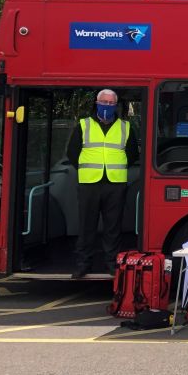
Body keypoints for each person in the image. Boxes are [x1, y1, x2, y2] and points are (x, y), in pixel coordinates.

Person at [67, 89, 139, 278]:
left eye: (110, 103)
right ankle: (83, 264)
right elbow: (72, 153)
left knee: (113, 227)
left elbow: (133, 154)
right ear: (97, 103)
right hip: (89, 183)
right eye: (103, 102)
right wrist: (86, 169)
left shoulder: (126, 127)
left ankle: (112, 264)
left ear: (115, 106)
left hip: (115, 183)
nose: (107, 106)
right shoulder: (84, 125)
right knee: (86, 226)